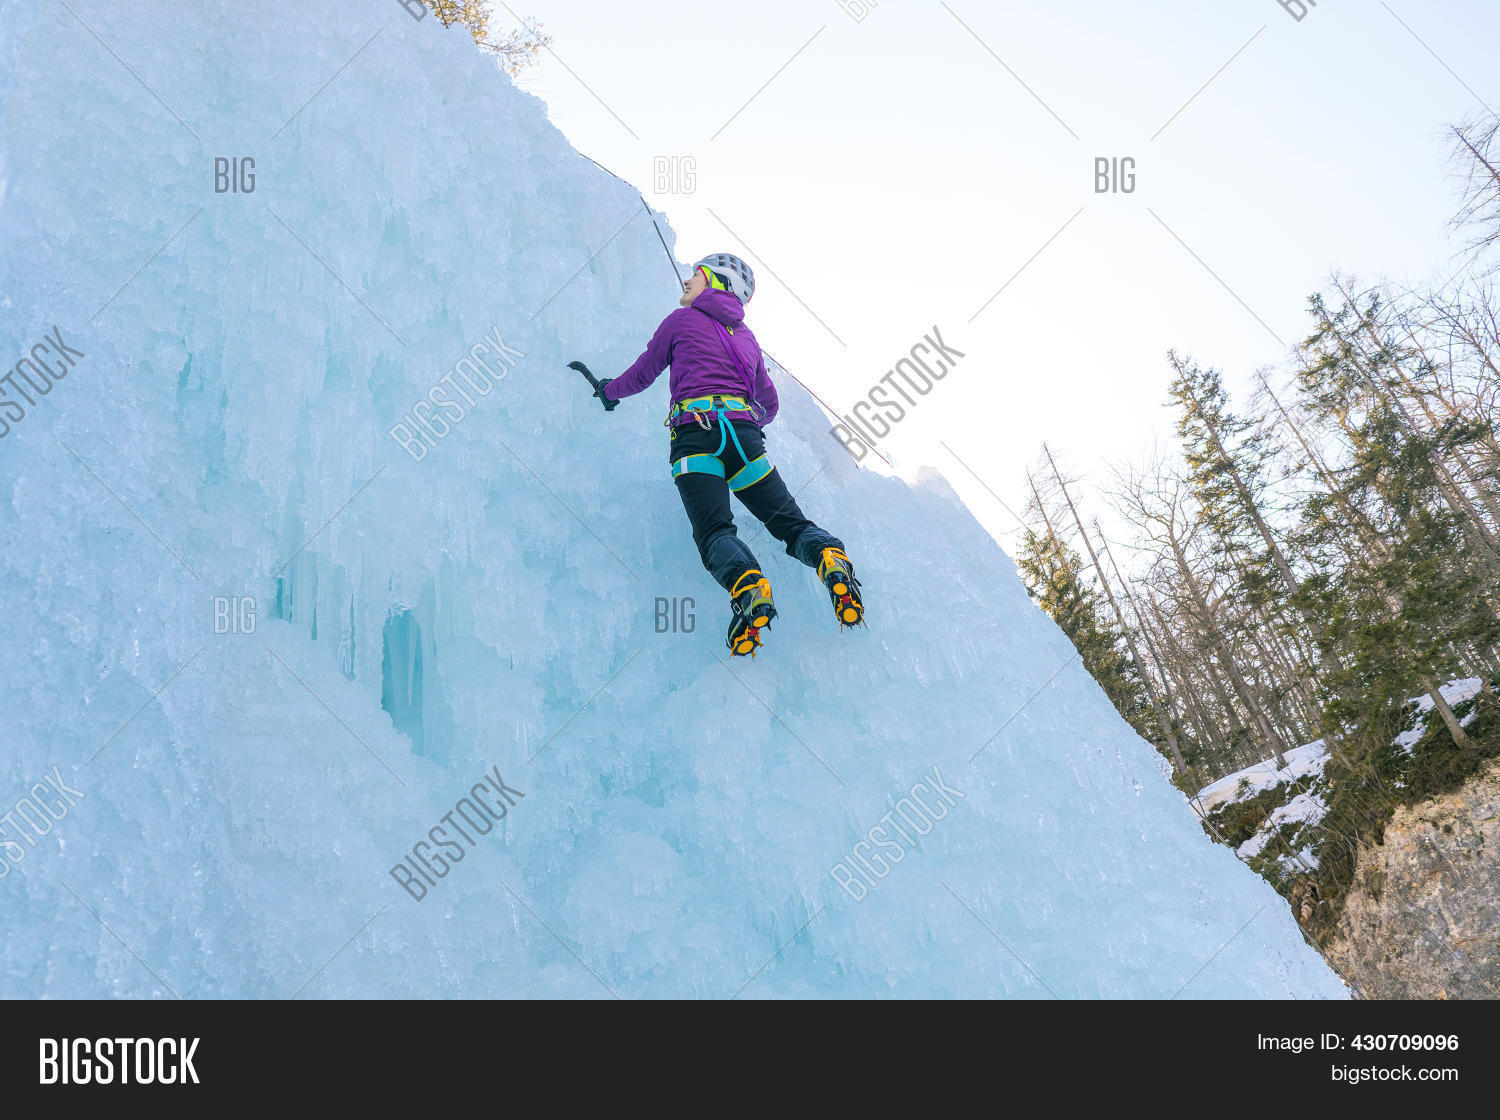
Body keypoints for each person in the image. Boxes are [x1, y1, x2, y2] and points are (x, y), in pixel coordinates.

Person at [588, 253, 862, 657]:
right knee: (790, 523)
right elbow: (768, 402)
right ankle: (828, 556)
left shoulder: (680, 322)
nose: (687, 280)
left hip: (695, 435)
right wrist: (744, 422)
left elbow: (645, 371)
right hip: (744, 439)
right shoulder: (748, 340)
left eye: (696, 276)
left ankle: (749, 585)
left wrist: (608, 392)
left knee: (715, 531)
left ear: (717, 283)